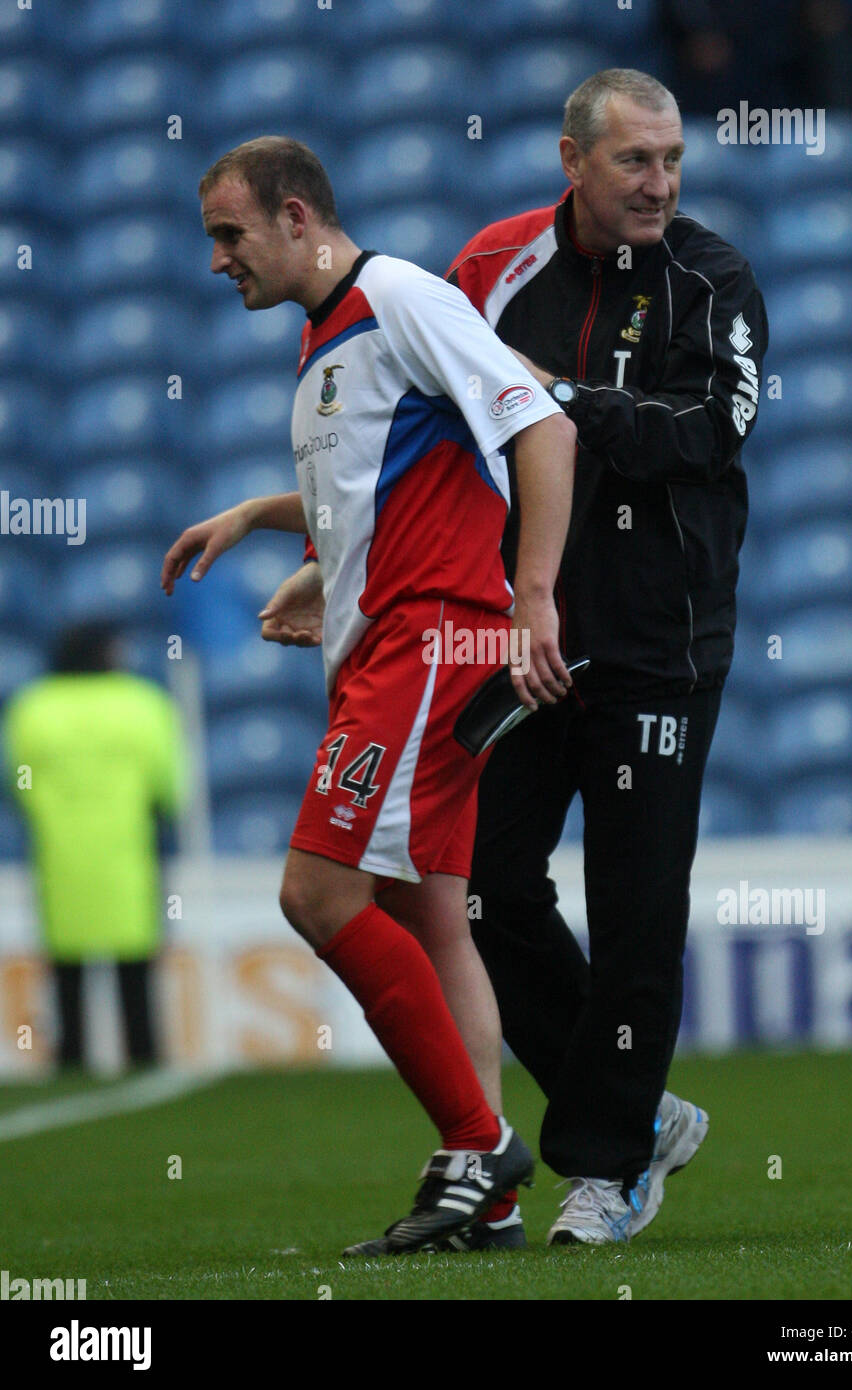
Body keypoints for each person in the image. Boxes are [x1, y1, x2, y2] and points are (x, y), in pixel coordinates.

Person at [161, 137, 578, 1256]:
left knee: (315, 894)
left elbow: (541, 424)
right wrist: (267, 521)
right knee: (427, 914)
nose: (217, 260)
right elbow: (379, 485)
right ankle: (479, 1193)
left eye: (228, 234)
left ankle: (477, 1140)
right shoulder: (323, 336)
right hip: (396, 645)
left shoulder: (398, 295)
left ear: (297, 217)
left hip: (429, 644)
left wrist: (533, 597)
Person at [445, 69, 769, 1244]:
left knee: (635, 911)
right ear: (571, 160)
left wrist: (557, 398)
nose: (660, 182)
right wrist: (328, 554)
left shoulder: (712, 276)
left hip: (659, 644)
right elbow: (432, 422)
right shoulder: (491, 268)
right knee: (483, 888)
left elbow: (710, 432)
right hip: (523, 637)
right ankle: (633, 1110)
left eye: (673, 159)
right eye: (635, 160)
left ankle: (603, 1162)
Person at [2, 621, 186, 1070]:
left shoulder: (32, 706)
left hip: (59, 854)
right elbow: (169, 786)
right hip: (129, 851)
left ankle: (70, 1061)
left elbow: (17, 783)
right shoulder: (143, 703)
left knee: (66, 969)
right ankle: (144, 1057)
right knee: (135, 968)